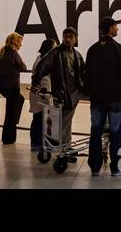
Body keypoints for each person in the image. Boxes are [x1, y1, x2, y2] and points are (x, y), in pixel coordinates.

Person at [84, 17, 121, 176]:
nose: (117, 29)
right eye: (115, 26)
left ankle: (95, 167)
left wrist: (91, 92)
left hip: (97, 99)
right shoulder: (120, 49)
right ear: (110, 28)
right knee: (116, 133)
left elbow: (87, 74)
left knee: (95, 132)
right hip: (116, 99)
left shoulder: (92, 50)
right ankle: (117, 167)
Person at [32, 28, 85, 156]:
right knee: (63, 120)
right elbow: (43, 66)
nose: (67, 39)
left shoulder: (77, 55)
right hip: (61, 93)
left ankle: (63, 145)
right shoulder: (56, 53)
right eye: (65, 36)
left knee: (66, 120)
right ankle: (62, 146)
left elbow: (83, 73)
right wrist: (36, 82)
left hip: (74, 92)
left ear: (75, 39)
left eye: (70, 36)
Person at [0, 32, 27, 145]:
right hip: (12, 86)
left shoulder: (2, 52)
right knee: (11, 113)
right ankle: (8, 138)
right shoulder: (13, 53)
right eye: (19, 41)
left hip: (2, 85)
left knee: (16, 105)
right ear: (15, 42)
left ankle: (11, 129)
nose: (21, 44)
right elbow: (24, 67)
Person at [28, 39, 58, 151]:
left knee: (37, 118)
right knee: (44, 118)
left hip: (37, 93)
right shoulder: (46, 61)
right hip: (43, 93)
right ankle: (46, 144)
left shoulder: (39, 58)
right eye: (54, 47)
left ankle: (36, 143)